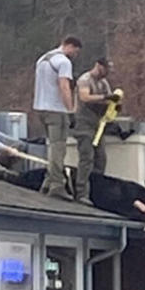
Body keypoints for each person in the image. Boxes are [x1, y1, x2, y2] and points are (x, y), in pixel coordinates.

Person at [33, 36, 83, 200]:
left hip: (41, 108)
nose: (75, 55)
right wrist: (70, 110)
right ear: (70, 46)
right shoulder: (63, 62)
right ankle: (57, 184)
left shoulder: (43, 59)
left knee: (51, 145)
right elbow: (64, 86)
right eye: (75, 51)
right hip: (56, 110)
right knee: (58, 147)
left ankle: (47, 182)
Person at [73, 57, 118, 205]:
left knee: (101, 159)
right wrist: (105, 97)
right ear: (98, 66)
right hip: (84, 124)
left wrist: (114, 105)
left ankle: (97, 191)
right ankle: (81, 193)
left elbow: (109, 101)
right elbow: (85, 97)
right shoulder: (85, 79)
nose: (106, 74)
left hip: (98, 126)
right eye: (105, 70)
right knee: (87, 158)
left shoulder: (104, 83)